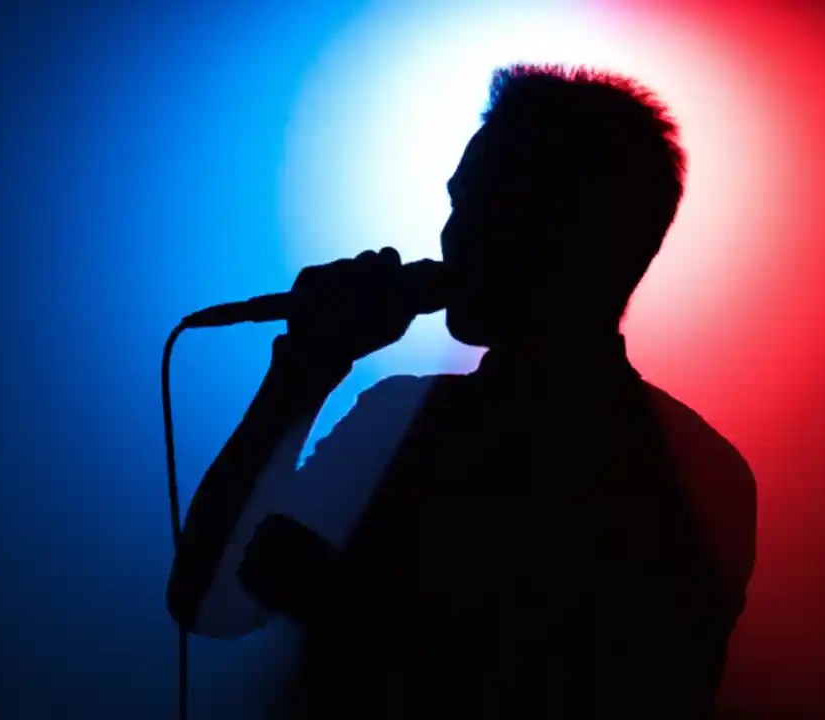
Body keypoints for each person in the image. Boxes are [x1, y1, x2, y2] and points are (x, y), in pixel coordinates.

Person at [167, 63, 757, 718]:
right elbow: (207, 603)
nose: (452, 234)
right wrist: (305, 366)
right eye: (456, 203)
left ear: (564, 229)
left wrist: (348, 611)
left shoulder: (694, 479)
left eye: (478, 203)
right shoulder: (710, 470)